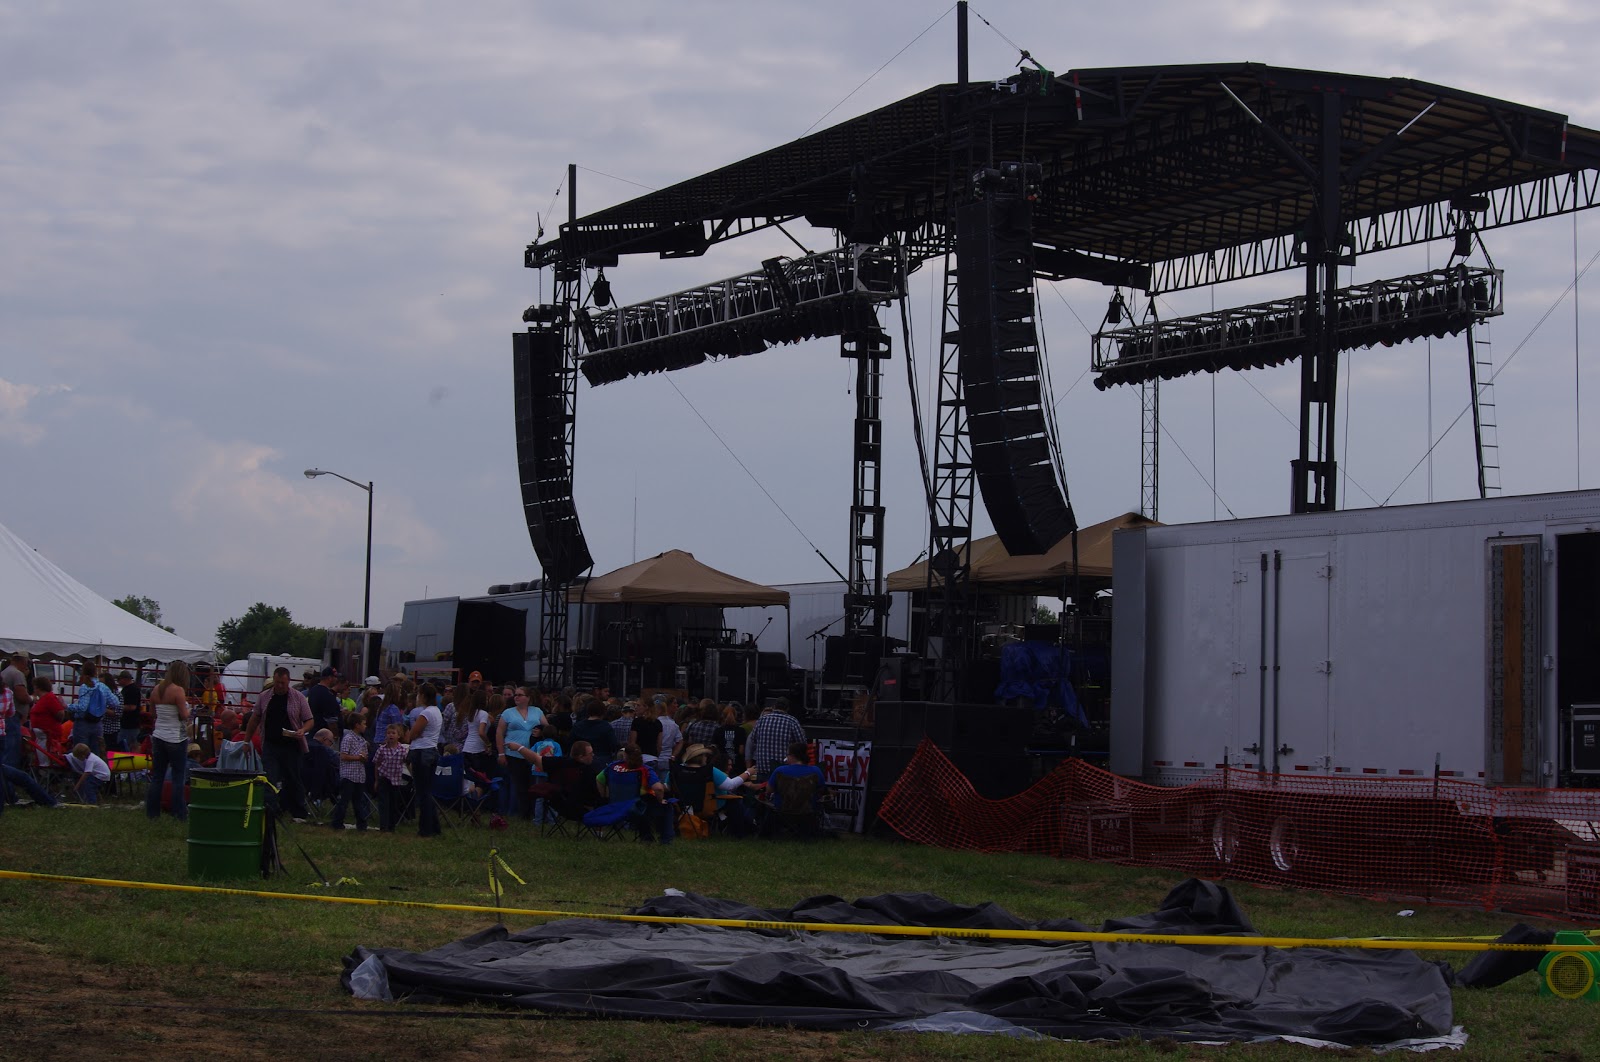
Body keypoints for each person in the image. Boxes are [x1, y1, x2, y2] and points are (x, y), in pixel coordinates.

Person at [244, 666, 313, 821]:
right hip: (270, 744)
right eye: (277, 682)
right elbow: (254, 719)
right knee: (269, 778)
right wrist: (246, 740)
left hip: (292, 745)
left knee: (293, 778)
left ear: (288, 681)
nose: (280, 686)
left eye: (282, 683)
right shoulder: (264, 697)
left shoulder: (298, 697)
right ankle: (270, 810)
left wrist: (303, 730)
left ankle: (298, 811)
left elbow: (309, 719)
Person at [146, 661, 192, 822]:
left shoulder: (156, 689)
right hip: (176, 738)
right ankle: (179, 813)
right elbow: (184, 715)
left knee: (157, 776)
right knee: (178, 777)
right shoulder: (178, 691)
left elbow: (152, 713)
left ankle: (152, 813)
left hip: (158, 735)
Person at [496, 688, 542, 820]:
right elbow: (499, 733)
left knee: (533, 784)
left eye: (520, 695)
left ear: (528, 697)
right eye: (515, 695)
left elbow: (547, 727)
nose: (516, 697)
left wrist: (540, 732)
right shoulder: (507, 713)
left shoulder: (537, 711)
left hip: (532, 753)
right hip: (513, 753)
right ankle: (521, 813)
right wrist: (501, 753)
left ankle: (533, 812)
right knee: (519, 784)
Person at [406, 686, 443, 837]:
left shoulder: (425, 712)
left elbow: (413, 733)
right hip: (432, 750)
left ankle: (425, 828)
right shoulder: (437, 711)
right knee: (427, 790)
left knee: (422, 792)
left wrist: (413, 734)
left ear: (423, 696)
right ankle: (434, 826)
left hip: (422, 751)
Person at [745, 698, 806, 782]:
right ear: (787, 708)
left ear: (774, 706)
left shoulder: (762, 720)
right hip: (783, 770)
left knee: (763, 794)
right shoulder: (792, 721)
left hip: (762, 768)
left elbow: (753, 740)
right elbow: (802, 745)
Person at [329, 711, 370, 831]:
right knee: (344, 800)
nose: (365, 726)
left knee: (358, 801)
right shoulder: (348, 738)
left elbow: (365, 756)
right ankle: (337, 822)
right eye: (363, 723)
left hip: (359, 775)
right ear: (357, 725)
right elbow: (343, 756)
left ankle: (362, 824)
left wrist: (364, 758)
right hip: (349, 775)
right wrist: (358, 757)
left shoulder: (362, 740)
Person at [69, 663, 119, 758]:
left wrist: (67, 706)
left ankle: (82, 772)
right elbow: (115, 703)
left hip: (83, 724)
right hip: (98, 723)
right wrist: (102, 706)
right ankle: (94, 772)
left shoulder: (85, 686)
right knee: (95, 754)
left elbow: (82, 707)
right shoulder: (102, 686)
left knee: (80, 753)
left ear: (83, 673)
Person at [373, 723, 408, 832]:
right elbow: (377, 764)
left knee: (393, 803)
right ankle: (383, 826)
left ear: (399, 735)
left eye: (393, 733)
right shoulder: (382, 749)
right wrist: (376, 780)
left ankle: (392, 826)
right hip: (384, 778)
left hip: (396, 780)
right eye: (388, 733)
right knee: (383, 803)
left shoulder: (402, 750)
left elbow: (406, 762)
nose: (391, 735)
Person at [1, 654, 31, 768]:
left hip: (4, 719)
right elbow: (22, 697)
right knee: (11, 752)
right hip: (12, 719)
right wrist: (32, 698)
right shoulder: (17, 674)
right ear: (23, 661)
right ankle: (8, 783)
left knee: (5, 750)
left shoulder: (4, 672)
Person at [569, 698, 617, 765]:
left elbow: (571, 744)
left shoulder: (577, 726)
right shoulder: (606, 726)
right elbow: (614, 745)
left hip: (581, 761)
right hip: (602, 761)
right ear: (603, 712)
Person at [28, 677, 69, 753]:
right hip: (42, 737)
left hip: (48, 737)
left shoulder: (49, 698)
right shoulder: (43, 699)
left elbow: (60, 713)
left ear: (38, 687)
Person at [461, 690, 493, 776]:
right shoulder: (483, 714)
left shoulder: (471, 713)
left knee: (470, 778)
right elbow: (481, 732)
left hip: (467, 748)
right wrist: (488, 744)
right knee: (480, 778)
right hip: (477, 750)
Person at [307, 666, 342, 739]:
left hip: (314, 732)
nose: (336, 680)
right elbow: (331, 720)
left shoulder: (314, 690)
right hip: (325, 736)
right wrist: (335, 736)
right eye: (335, 677)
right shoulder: (327, 694)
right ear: (329, 678)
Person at [116, 672, 144, 754]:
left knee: (126, 746)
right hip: (126, 723)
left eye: (119, 679)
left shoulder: (133, 690)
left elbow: (132, 707)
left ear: (125, 679)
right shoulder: (126, 689)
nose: (118, 682)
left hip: (130, 724)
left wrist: (118, 707)